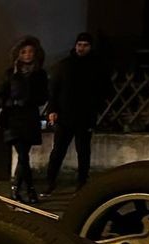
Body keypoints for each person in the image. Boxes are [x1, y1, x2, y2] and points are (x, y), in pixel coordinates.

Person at [44, 32, 109, 195]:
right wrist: (52, 109)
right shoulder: (65, 65)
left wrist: (96, 108)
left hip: (85, 117)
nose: (81, 48)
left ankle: (82, 182)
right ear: (75, 46)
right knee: (58, 151)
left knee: (83, 151)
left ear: (91, 47)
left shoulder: (97, 67)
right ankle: (50, 181)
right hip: (65, 116)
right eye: (79, 45)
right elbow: (54, 89)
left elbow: (104, 90)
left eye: (85, 45)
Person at [0, 36, 48, 204]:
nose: (27, 55)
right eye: (24, 52)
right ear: (18, 54)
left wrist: (32, 100)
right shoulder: (10, 73)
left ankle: (15, 189)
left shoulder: (40, 74)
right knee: (23, 155)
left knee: (24, 156)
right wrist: (12, 102)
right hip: (13, 119)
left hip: (30, 118)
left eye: (31, 52)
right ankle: (30, 190)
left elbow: (44, 96)